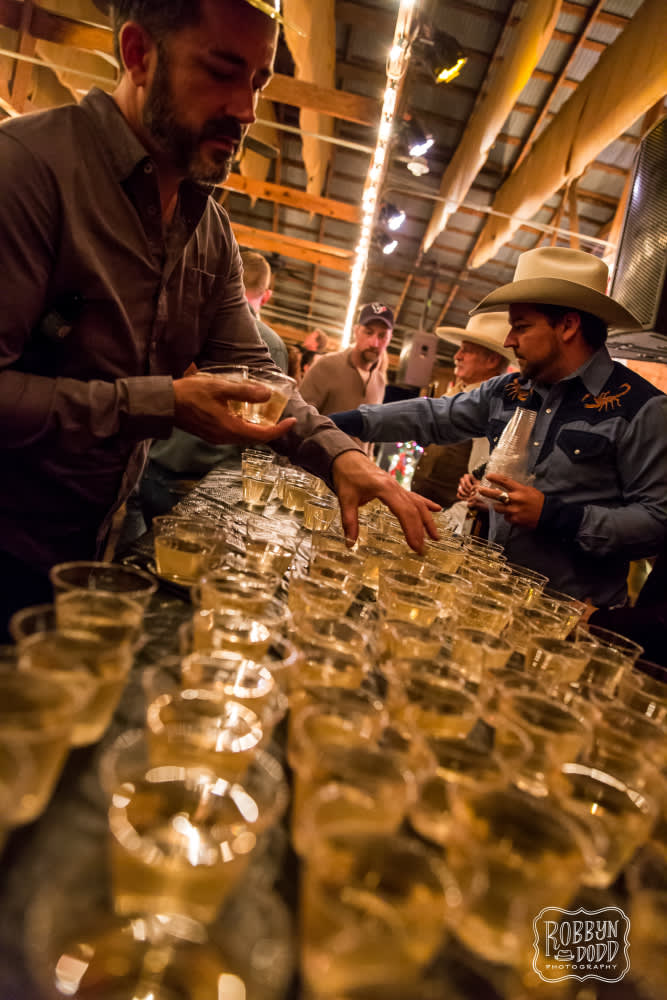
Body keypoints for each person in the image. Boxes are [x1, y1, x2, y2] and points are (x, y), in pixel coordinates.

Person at [0, 0, 437, 632]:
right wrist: (160, 403)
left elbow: (258, 375)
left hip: (97, 548)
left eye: (258, 81)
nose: (247, 108)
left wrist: (341, 456)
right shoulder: (27, 168)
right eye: (222, 71)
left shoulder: (209, 231)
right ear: (138, 55)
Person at [329, 247, 667, 607]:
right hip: (485, 596)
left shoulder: (642, 409)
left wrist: (556, 517)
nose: (508, 340)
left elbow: (657, 522)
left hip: (568, 618)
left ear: (568, 326)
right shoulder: (507, 390)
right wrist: (329, 425)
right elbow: (433, 415)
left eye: (520, 326)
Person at [124, 250, 289, 537]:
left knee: (138, 552)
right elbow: (262, 431)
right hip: (207, 485)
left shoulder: (184, 322)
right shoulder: (270, 346)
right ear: (267, 296)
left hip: (154, 466)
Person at [411, 313, 512, 508]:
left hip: (451, 512)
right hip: (428, 504)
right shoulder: (457, 393)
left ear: (492, 360)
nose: (457, 356)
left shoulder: (493, 408)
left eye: (466, 351)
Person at [299, 302, 394, 456]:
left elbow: (371, 435)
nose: (374, 343)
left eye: (382, 336)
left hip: (356, 468)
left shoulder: (379, 382)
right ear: (356, 331)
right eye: (368, 332)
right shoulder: (326, 365)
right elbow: (300, 417)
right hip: (316, 463)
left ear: (390, 339)